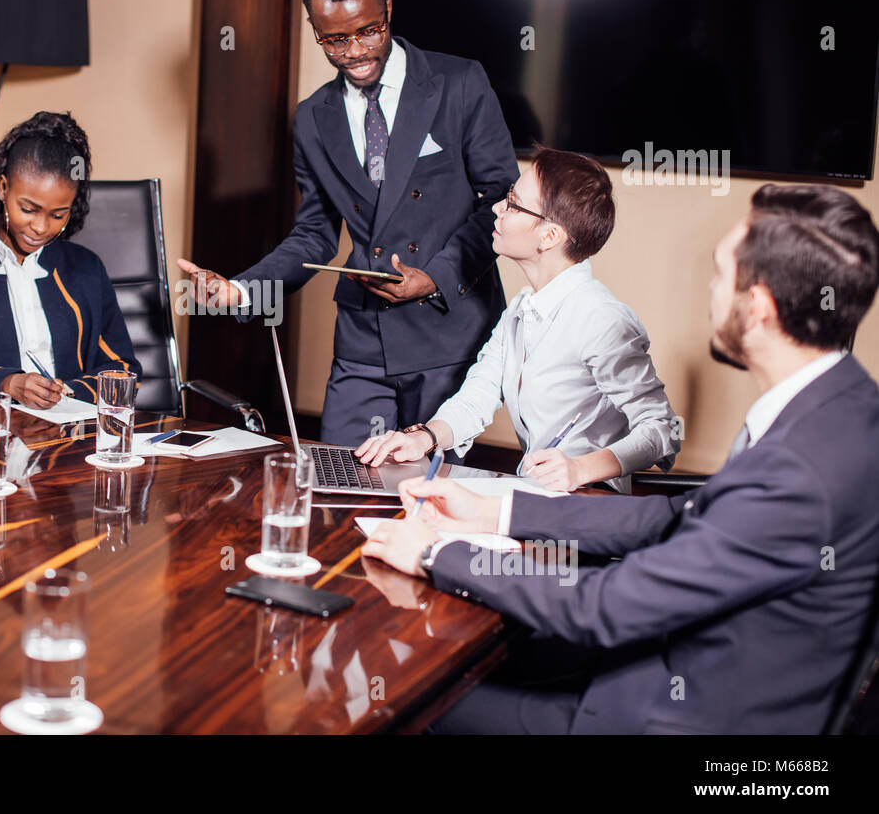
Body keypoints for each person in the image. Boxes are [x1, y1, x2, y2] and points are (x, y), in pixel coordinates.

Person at [363, 183, 879, 733]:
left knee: (408, 702)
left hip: (682, 714)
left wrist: (437, 552)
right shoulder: (843, 409)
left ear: (758, 309)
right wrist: (494, 513)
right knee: (460, 663)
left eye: (719, 272)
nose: (707, 288)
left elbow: (602, 608)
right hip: (671, 659)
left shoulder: (799, 471)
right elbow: (674, 517)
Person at [177, 0, 518, 446]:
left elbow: (499, 204)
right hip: (364, 338)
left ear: (389, 10)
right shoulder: (313, 118)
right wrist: (244, 290)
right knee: (339, 485)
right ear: (314, 30)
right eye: (333, 39)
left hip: (449, 334)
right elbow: (314, 235)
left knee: (426, 497)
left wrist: (434, 278)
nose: (354, 51)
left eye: (368, 31)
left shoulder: (459, 83)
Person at [357, 147, 679, 492]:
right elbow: (477, 396)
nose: (497, 208)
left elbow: (661, 429)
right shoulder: (522, 308)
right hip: (536, 494)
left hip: (589, 502)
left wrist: (579, 469)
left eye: (512, 202)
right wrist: (424, 437)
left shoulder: (601, 318)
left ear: (550, 236)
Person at [0, 111, 139, 408]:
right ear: (3, 188)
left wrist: (71, 391)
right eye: (28, 209)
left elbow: (124, 368)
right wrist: (9, 383)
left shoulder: (86, 268)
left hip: (75, 435)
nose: (41, 227)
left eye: (58, 215)